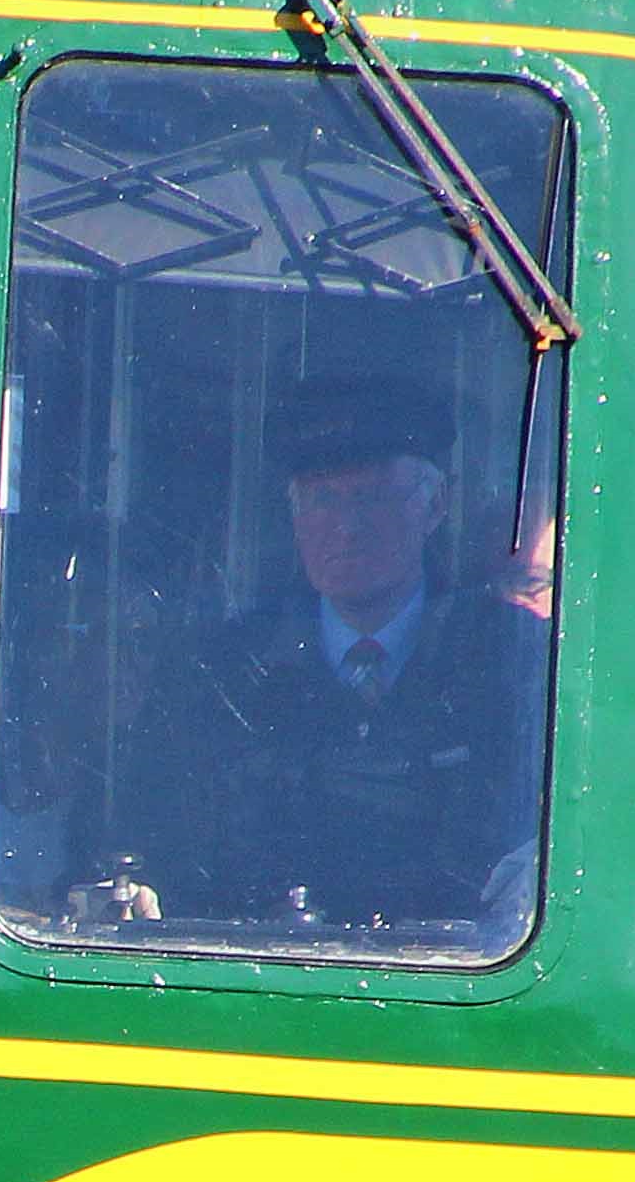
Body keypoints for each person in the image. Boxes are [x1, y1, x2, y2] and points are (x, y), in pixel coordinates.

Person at [128, 383, 551, 940]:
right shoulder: (222, 668)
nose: (346, 529)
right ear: (295, 514)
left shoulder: (514, 662)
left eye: (373, 499)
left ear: (434, 506)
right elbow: (156, 837)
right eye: (323, 501)